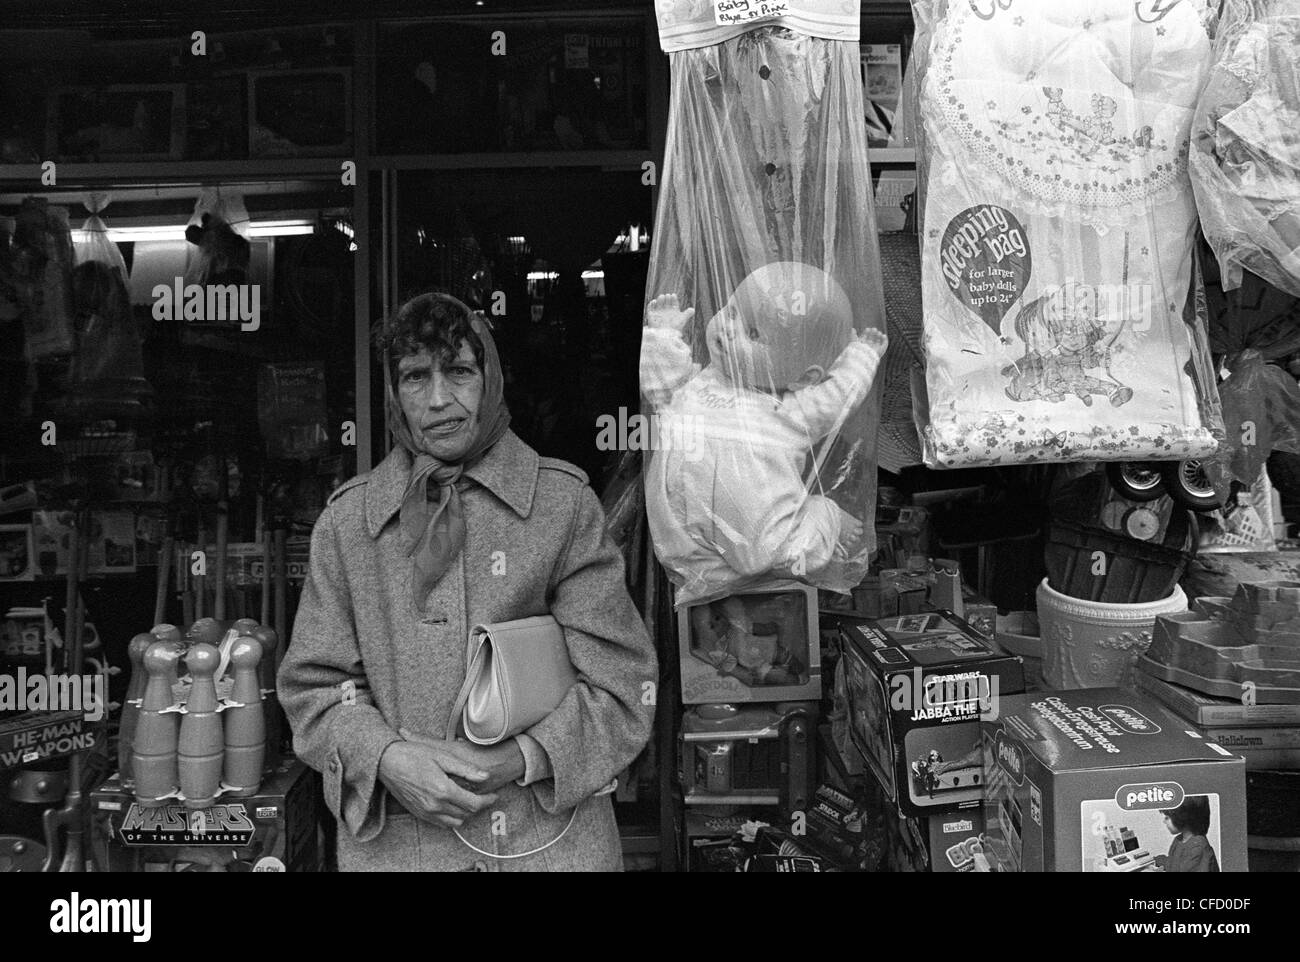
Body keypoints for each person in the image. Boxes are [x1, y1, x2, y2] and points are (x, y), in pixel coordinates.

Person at [279, 292, 658, 871]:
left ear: (491, 379)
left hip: (549, 847)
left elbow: (622, 687)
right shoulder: (347, 525)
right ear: (394, 393)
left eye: (458, 370)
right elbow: (314, 692)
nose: (438, 400)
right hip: (403, 852)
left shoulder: (562, 507)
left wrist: (513, 759)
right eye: (414, 377)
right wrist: (387, 758)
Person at [1157, 796, 1220, 873]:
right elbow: (1173, 864)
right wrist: (1154, 860)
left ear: (1181, 817)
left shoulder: (1198, 847)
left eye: (1167, 817)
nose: (1164, 821)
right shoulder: (1179, 840)